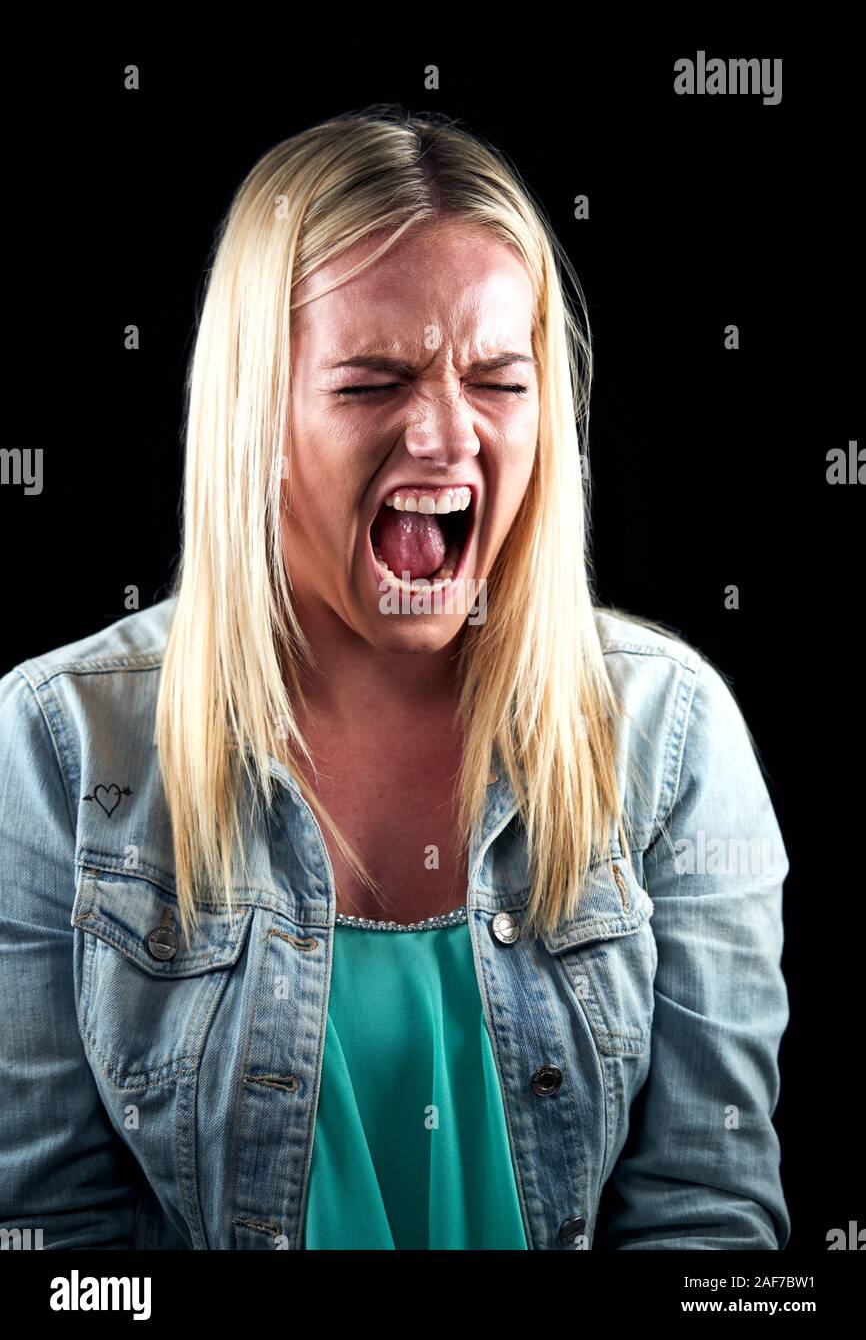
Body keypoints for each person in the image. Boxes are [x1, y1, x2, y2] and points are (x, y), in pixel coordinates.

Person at [0, 105, 790, 1251]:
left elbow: (706, 1227)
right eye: (372, 382)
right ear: (251, 420)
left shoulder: (668, 733)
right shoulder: (56, 752)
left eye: (497, 381)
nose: (444, 436)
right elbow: (47, 1249)